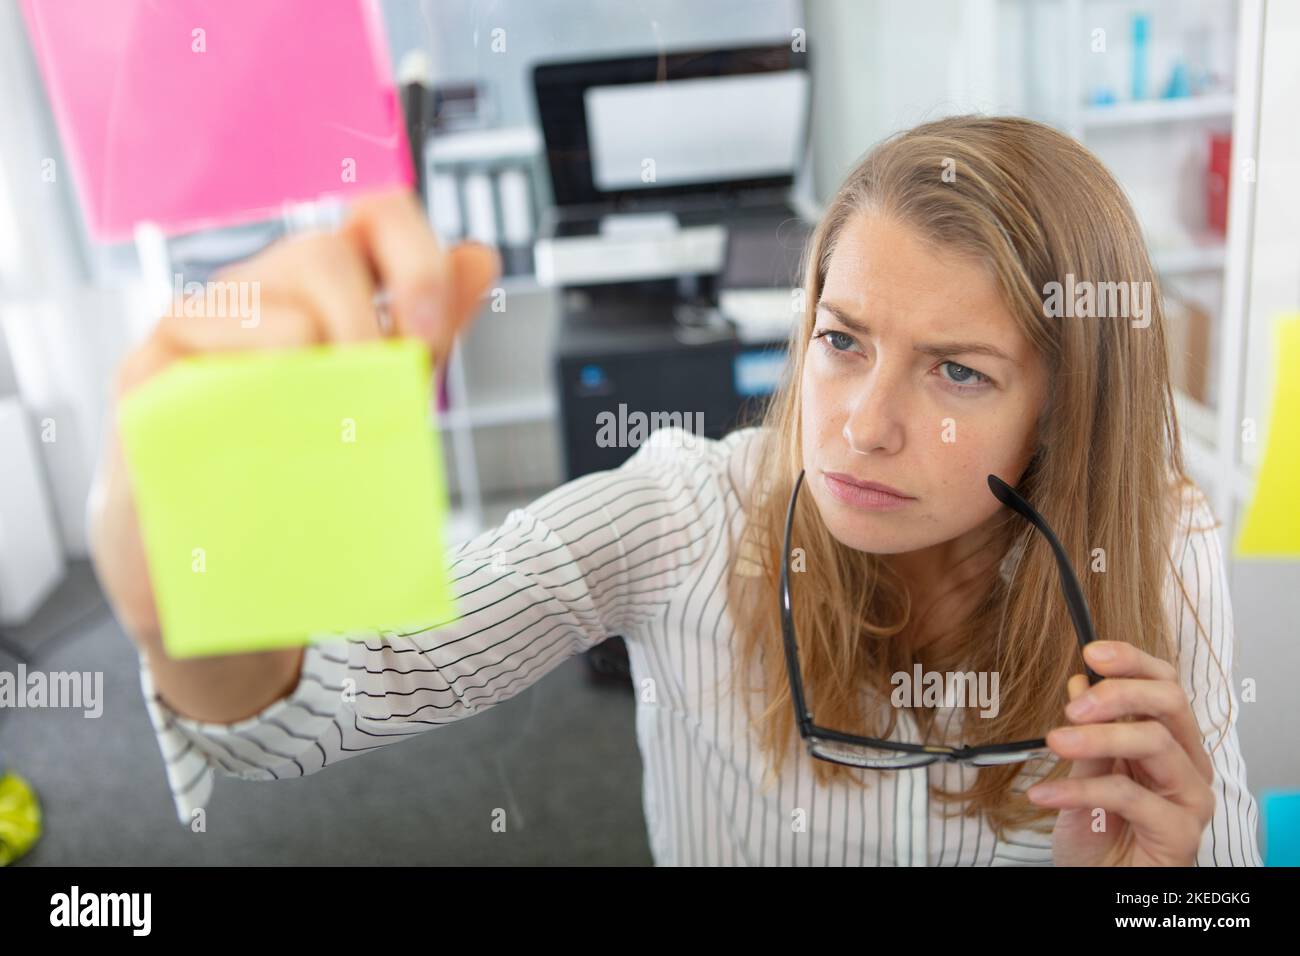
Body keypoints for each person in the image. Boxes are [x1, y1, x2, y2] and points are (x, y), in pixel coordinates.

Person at [88, 115, 1262, 866]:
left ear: (1064, 403)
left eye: (956, 369)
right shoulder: (683, 514)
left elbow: (1221, 863)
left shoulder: (1160, 547)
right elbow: (340, 694)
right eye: (842, 339)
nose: (859, 420)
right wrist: (194, 591)